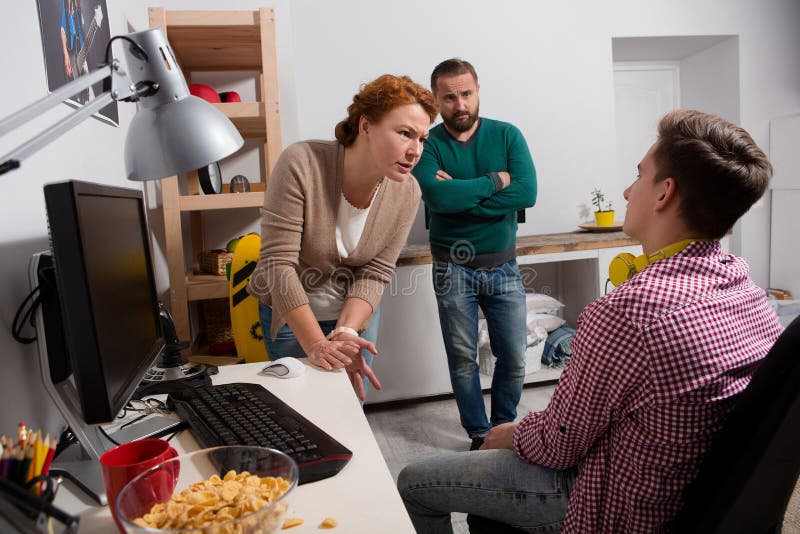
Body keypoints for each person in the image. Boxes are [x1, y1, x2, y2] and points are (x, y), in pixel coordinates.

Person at [397, 109, 784, 533]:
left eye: (639, 176)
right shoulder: (750, 291)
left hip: (616, 502)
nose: (626, 189)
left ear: (664, 193)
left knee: (415, 481)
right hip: (690, 492)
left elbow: (560, 442)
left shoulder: (631, 311)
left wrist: (511, 433)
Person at [247, 74, 437, 401]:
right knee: (298, 411)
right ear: (365, 126)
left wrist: (347, 333)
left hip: (353, 315)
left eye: (422, 139)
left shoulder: (408, 192)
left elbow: (375, 273)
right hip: (292, 315)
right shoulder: (301, 163)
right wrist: (316, 344)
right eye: (405, 133)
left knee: (347, 408)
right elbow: (278, 265)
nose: (415, 150)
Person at [412, 58, 537, 450]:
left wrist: (461, 197)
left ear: (478, 91)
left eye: (466, 94)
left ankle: (503, 427)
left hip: (504, 265)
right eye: (449, 97)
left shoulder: (507, 136)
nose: (459, 104)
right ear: (436, 100)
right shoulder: (427, 142)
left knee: (514, 356)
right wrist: (494, 184)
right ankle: (479, 434)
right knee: (463, 358)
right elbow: (435, 196)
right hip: (452, 267)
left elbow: (526, 193)